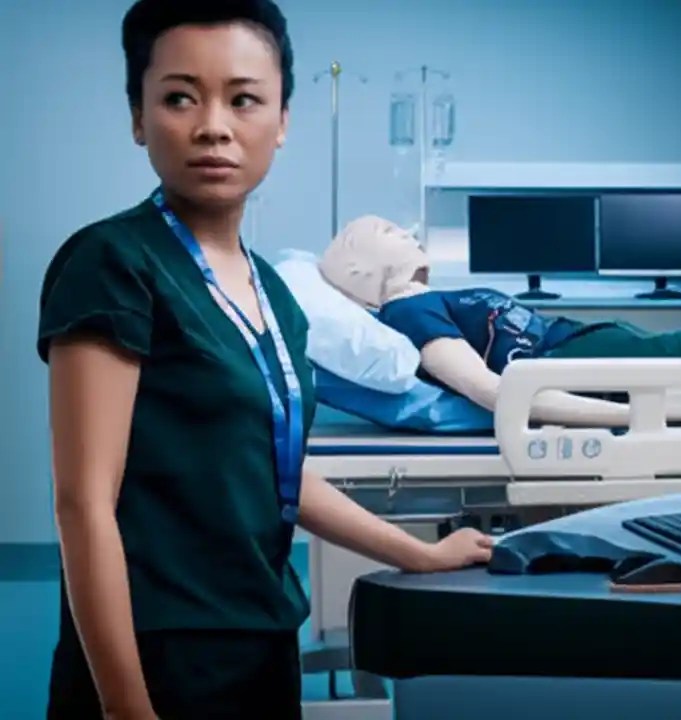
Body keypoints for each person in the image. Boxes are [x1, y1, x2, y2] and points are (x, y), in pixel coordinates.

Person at [38, 3, 493, 718]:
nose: (213, 125)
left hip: (263, 639)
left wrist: (419, 554)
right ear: (138, 115)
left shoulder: (273, 293)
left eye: (243, 98)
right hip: (158, 653)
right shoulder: (113, 265)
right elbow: (83, 502)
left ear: (281, 122)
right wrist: (127, 707)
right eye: (179, 97)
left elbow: (275, 471)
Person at [317, 215, 681, 426]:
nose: (410, 232)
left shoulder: (428, 299)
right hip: (576, 357)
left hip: (594, 347)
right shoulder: (409, 312)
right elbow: (498, 393)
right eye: (390, 232)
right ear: (359, 270)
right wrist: (643, 417)